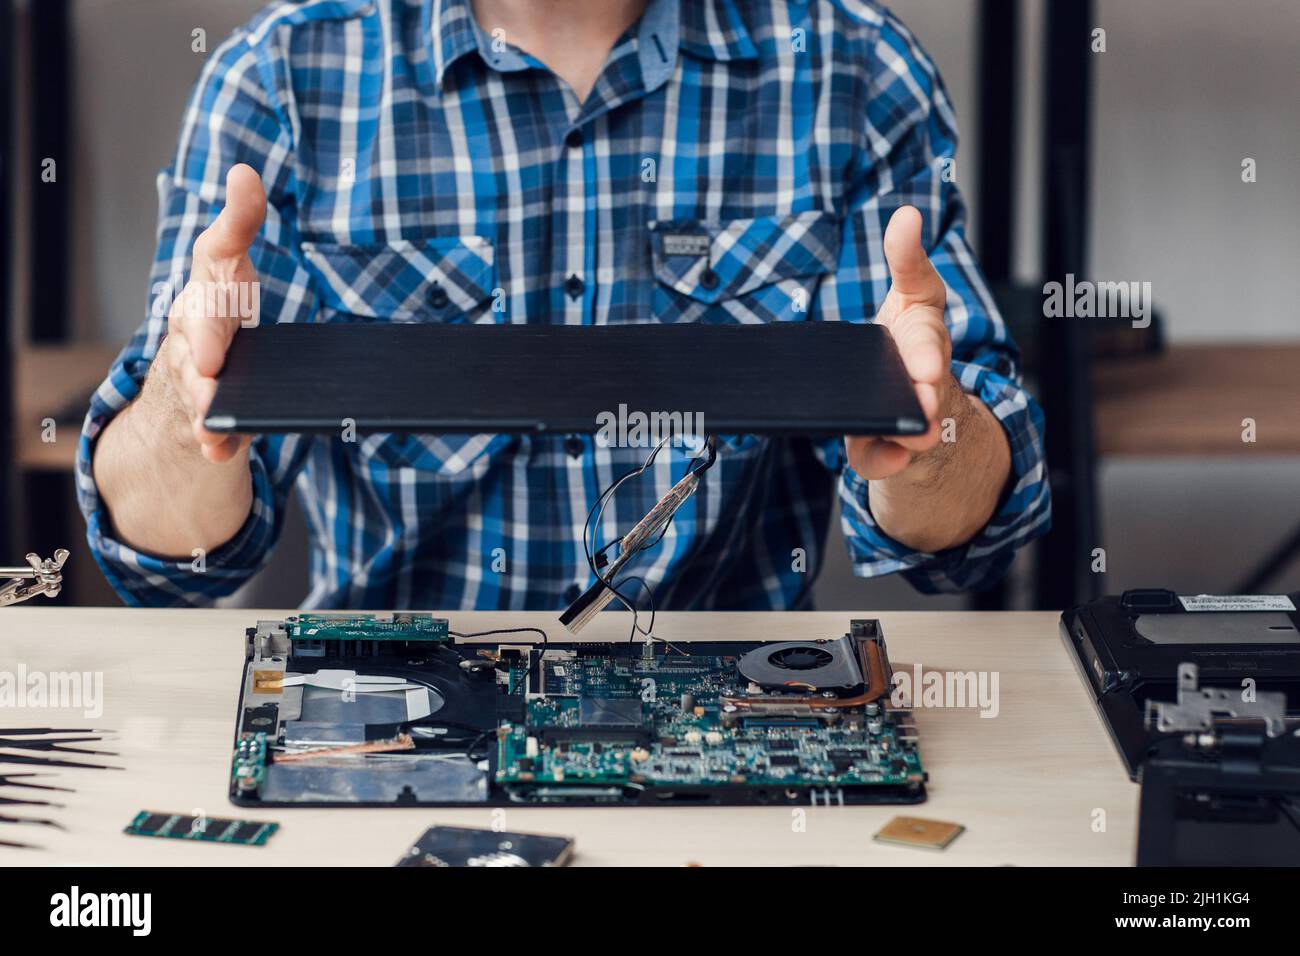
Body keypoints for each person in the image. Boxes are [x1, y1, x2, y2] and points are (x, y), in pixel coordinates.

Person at [81, 0, 1050, 610]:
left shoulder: (852, 68)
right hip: (391, 723)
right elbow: (170, 564)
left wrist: (936, 433)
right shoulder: (282, 79)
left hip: (729, 724)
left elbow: (972, 538)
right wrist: (183, 396)